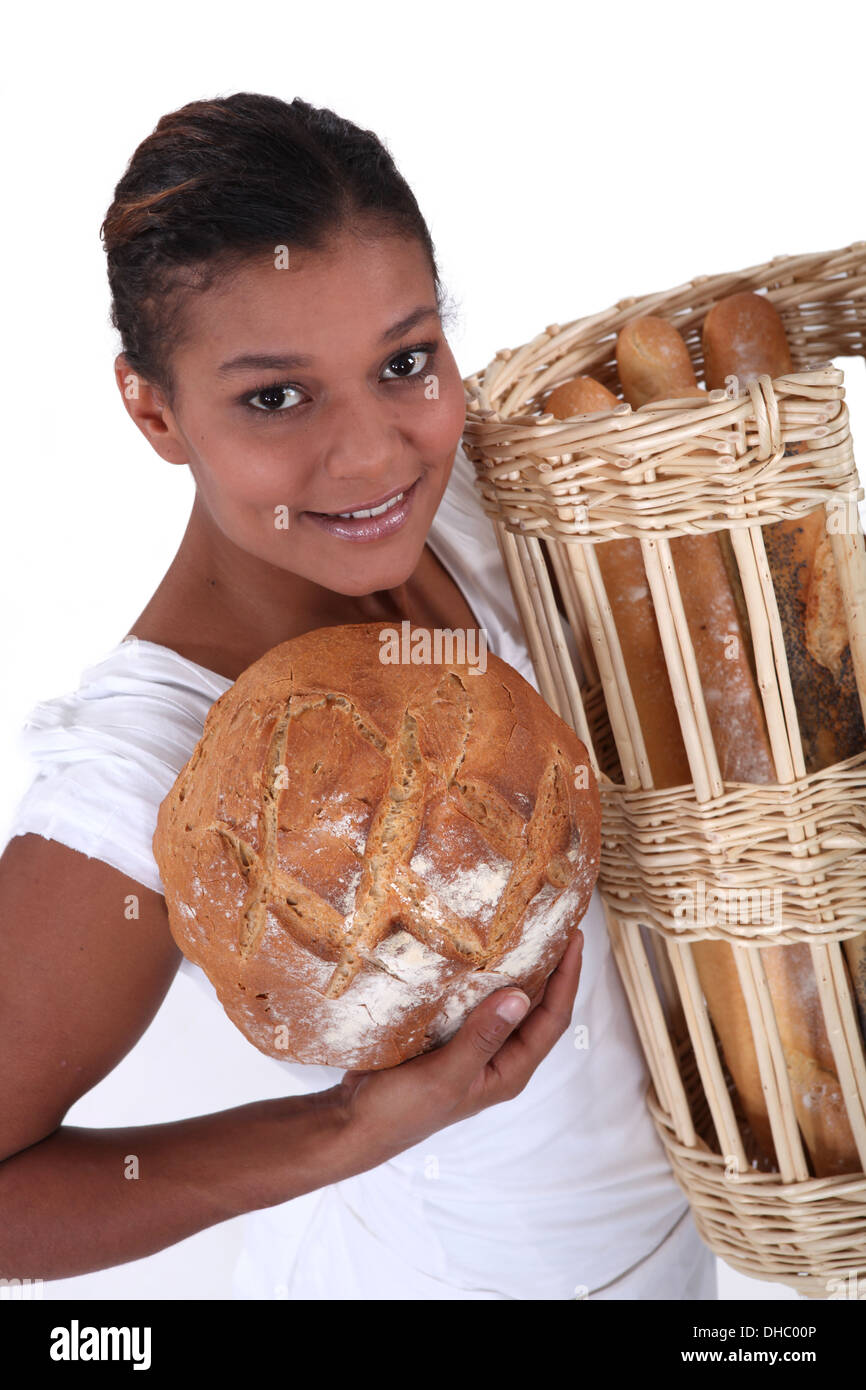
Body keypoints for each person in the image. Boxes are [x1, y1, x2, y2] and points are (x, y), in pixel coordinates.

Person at [0, 92, 717, 1300]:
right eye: (275, 396)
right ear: (152, 409)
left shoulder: (506, 503)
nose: (376, 454)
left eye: (404, 361)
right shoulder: (147, 765)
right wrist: (352, 1128)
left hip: (697, 1259)